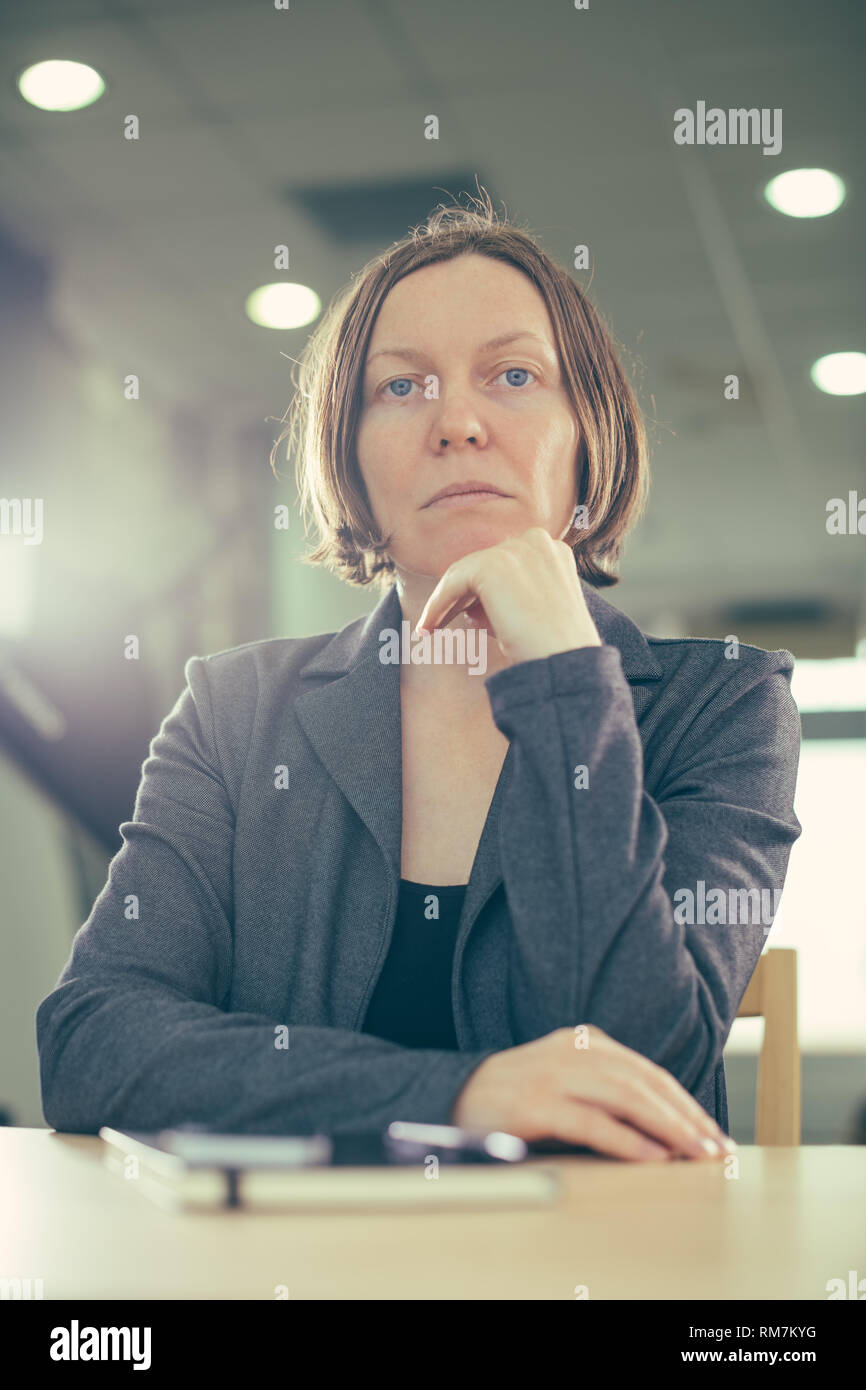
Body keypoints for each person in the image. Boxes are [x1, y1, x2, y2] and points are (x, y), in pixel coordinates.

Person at [36, 194, 802, 1161]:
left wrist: (568, 679)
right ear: (351, 461)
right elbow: (92, 1043)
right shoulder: (235, 711)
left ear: (588, 439)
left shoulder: (725, 705)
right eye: (400, 388)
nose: (459, 422)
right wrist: (464, 1093)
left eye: (514, 375)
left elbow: (643, 1063)